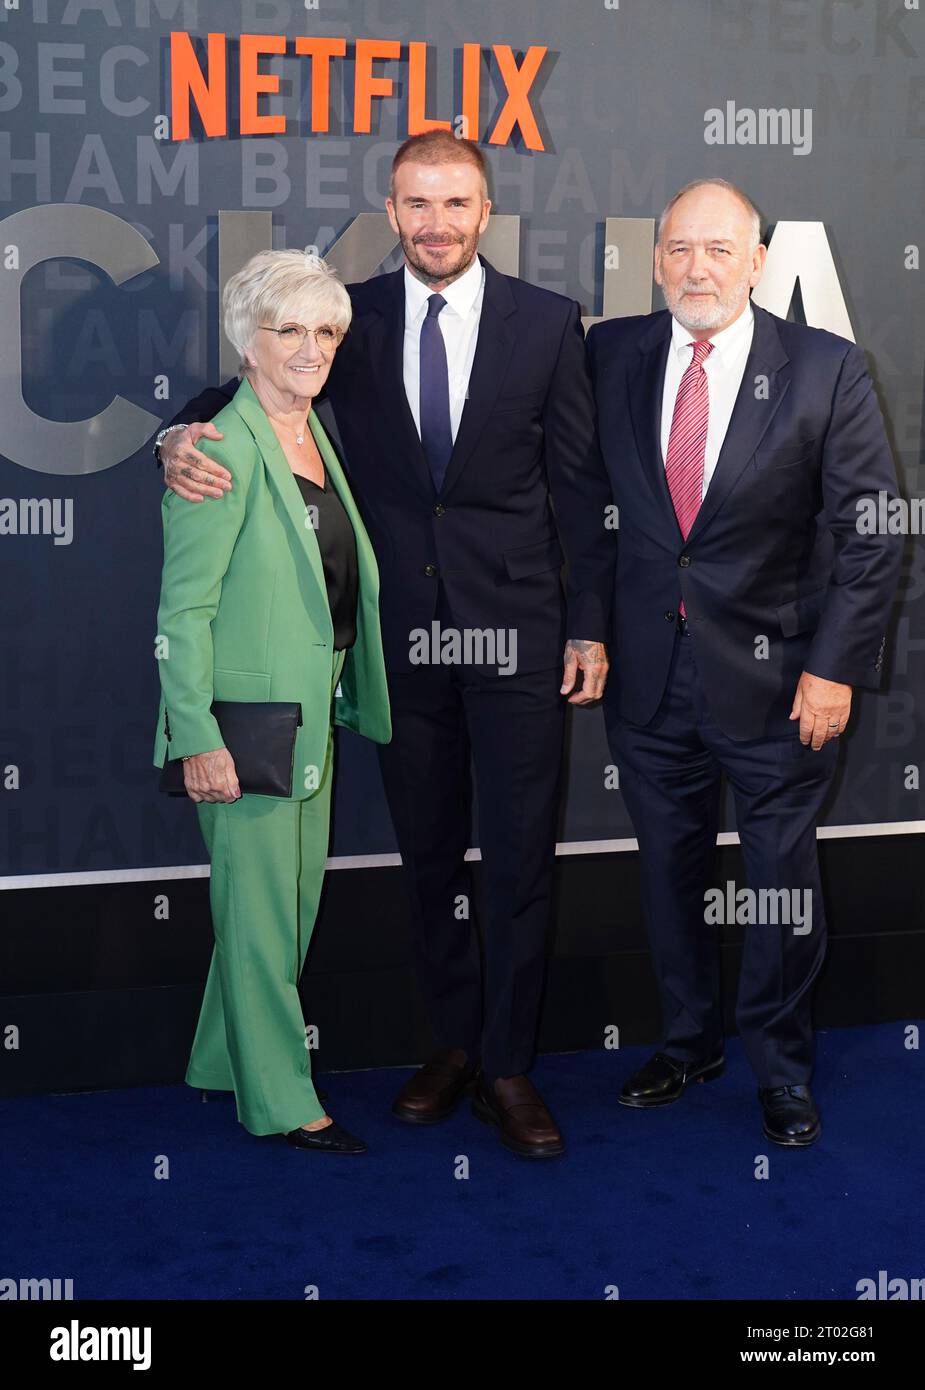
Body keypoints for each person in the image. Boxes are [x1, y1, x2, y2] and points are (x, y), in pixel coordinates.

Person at [154, 131, 616, 1160]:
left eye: (454, 202)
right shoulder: (344, 318)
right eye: (416, 203)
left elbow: (581, 488)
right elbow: (251, 388)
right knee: (429, 858)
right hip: (395, 648)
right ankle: (450, 1044)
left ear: (484, 210)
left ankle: (506, 1063)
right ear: (392, 208)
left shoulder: (547, 325)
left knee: (520, 860)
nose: (436, 222)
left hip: (519, 642)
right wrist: (172, 439)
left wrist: (586, 621)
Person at [586, 178, 902, 1145]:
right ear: (655, 259)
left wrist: (836, 668)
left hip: (780, 685)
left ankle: (780, 1066)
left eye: (720, 250)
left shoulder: (825, 368)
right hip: (646, 679)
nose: (697, 267)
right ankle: (688, 1043)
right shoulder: (607, 355)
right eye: (679, 248)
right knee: (666, 873)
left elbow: (871, 534)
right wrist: (195, 427)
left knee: (776, 881)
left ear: (758, 263)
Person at [153, 250, 391, 1153]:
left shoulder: (312, 429)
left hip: (311, 716)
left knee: (280, 908)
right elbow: (182, 611)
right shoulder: (215, 445)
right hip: (242, 730)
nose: (309, 347)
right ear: (246, 342)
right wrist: (196, 738)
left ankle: (222, 1060)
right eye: (287, 329)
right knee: (261, 917)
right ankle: (284, 1102)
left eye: (324, 331)